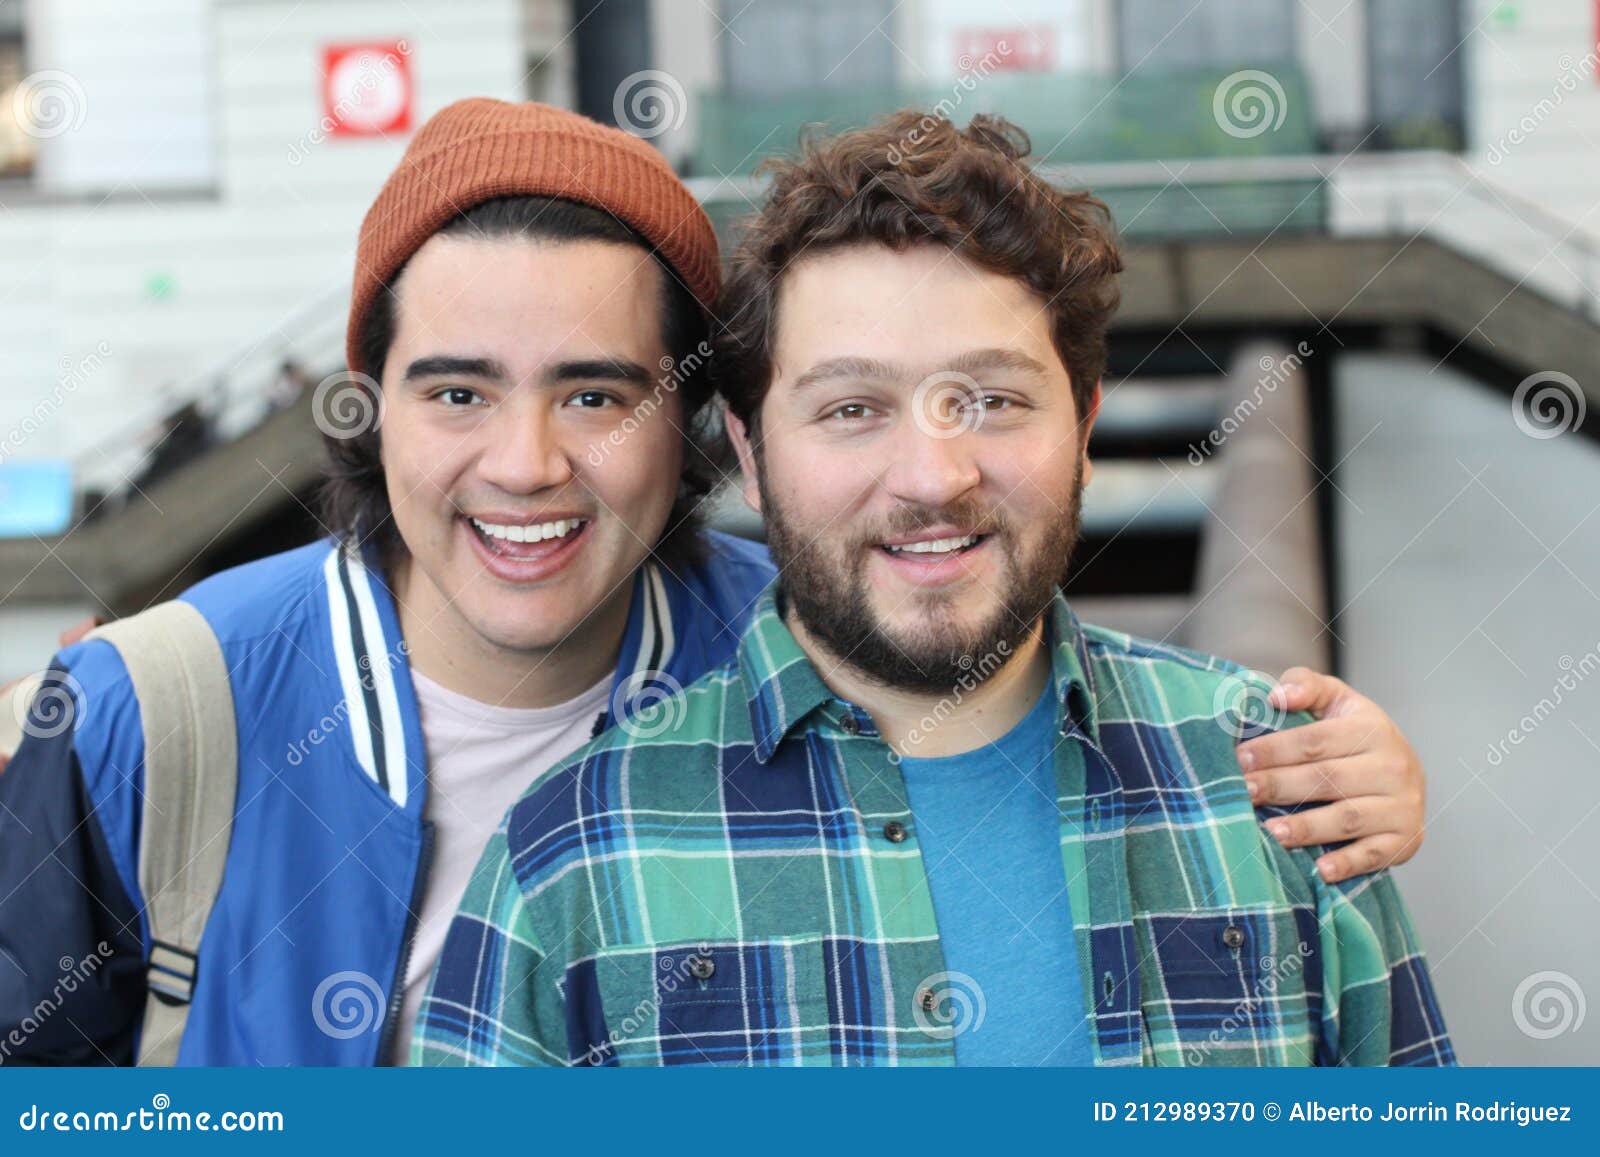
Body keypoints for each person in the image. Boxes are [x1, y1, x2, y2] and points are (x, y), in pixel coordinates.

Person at [1, 101, 1423, 1067]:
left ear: (694, 428)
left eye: (597, 393)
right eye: (454, 392)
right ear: (369, 403)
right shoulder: (153, 714)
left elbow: (993, 656)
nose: (525, 463)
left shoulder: (803, 636)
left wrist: (1313, 754)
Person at [413, 112, 1453, 1068]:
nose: (932, 475)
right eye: (853, 407)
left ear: (1082, 420)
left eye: (992, 398)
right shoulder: (573, 861)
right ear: (749, 443)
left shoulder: (1284, 797)